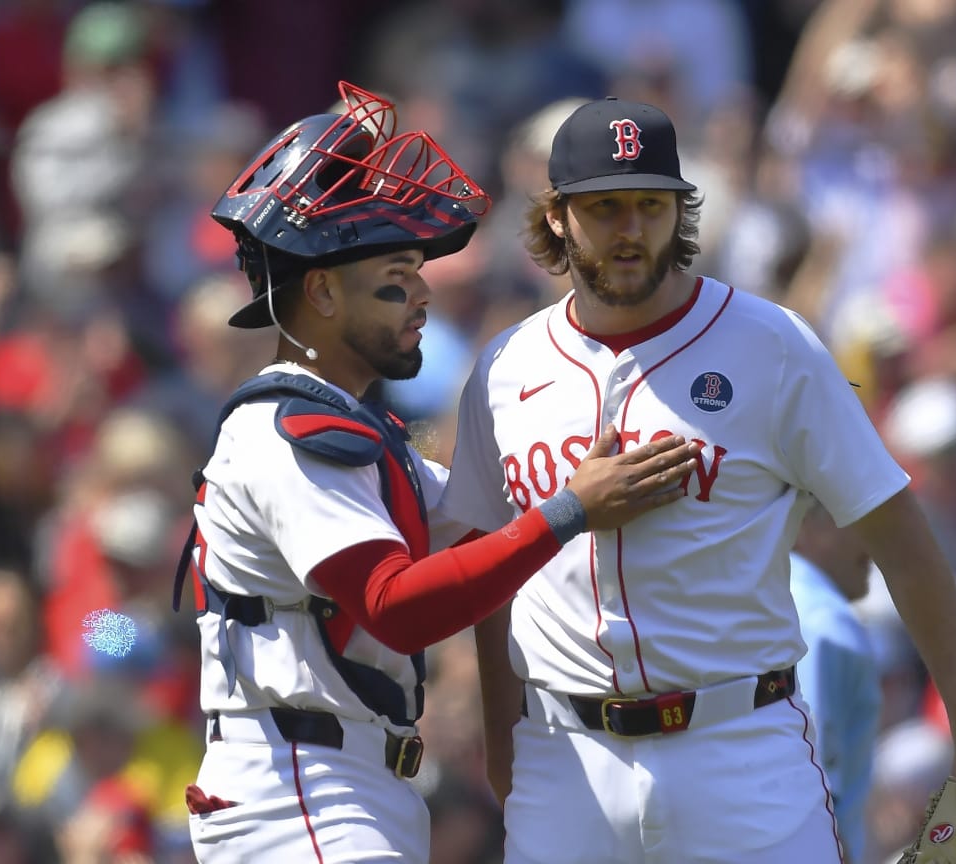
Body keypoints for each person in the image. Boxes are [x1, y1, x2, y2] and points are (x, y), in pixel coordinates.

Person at [441, 96, 956, 863]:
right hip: (565, 759)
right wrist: (503, 742)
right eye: (605, 207)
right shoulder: (504, 367)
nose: (630, 230)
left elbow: (901, 538)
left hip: (738, 745)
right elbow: (493, 575)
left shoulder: (772, 344)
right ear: (556, 216)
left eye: (652, 206)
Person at [175, 83, 702, 863]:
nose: (422, 293)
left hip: (341, 782)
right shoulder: (282, 435)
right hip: (298, 788)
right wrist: (569, 512)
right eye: (395, 277)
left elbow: (479, 531)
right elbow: (398, 607)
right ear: (320, 290)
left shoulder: (358, 428)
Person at [790, 503, 880, 864]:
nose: (874, 544)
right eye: (857, 520)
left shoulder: (770, 597)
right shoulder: (824, 622)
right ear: (807, 524)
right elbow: (815, 786)